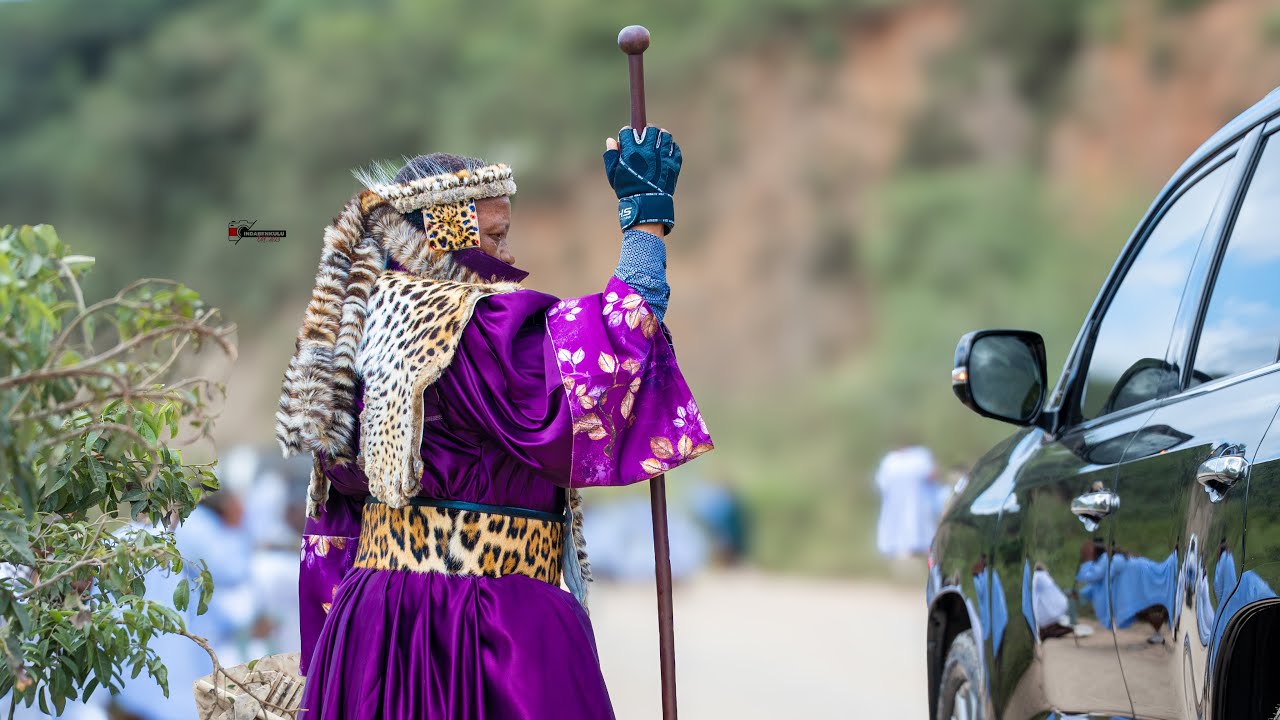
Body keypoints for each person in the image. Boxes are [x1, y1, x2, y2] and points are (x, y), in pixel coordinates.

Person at [275, 126, 712, 719]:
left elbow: (336, 514)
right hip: (480, 623)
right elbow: (607, 354)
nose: (507, 256)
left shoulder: (353, 334)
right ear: (448, 230)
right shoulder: (463, 326)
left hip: (374, 626)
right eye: (496, 235)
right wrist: (645, 224)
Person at [873, 441, 939, 558]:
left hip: (907, 504)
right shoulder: (917, 458)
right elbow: (932, 476)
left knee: (913, 528)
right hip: (910, 504)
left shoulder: (892, 461)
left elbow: (881, 484)